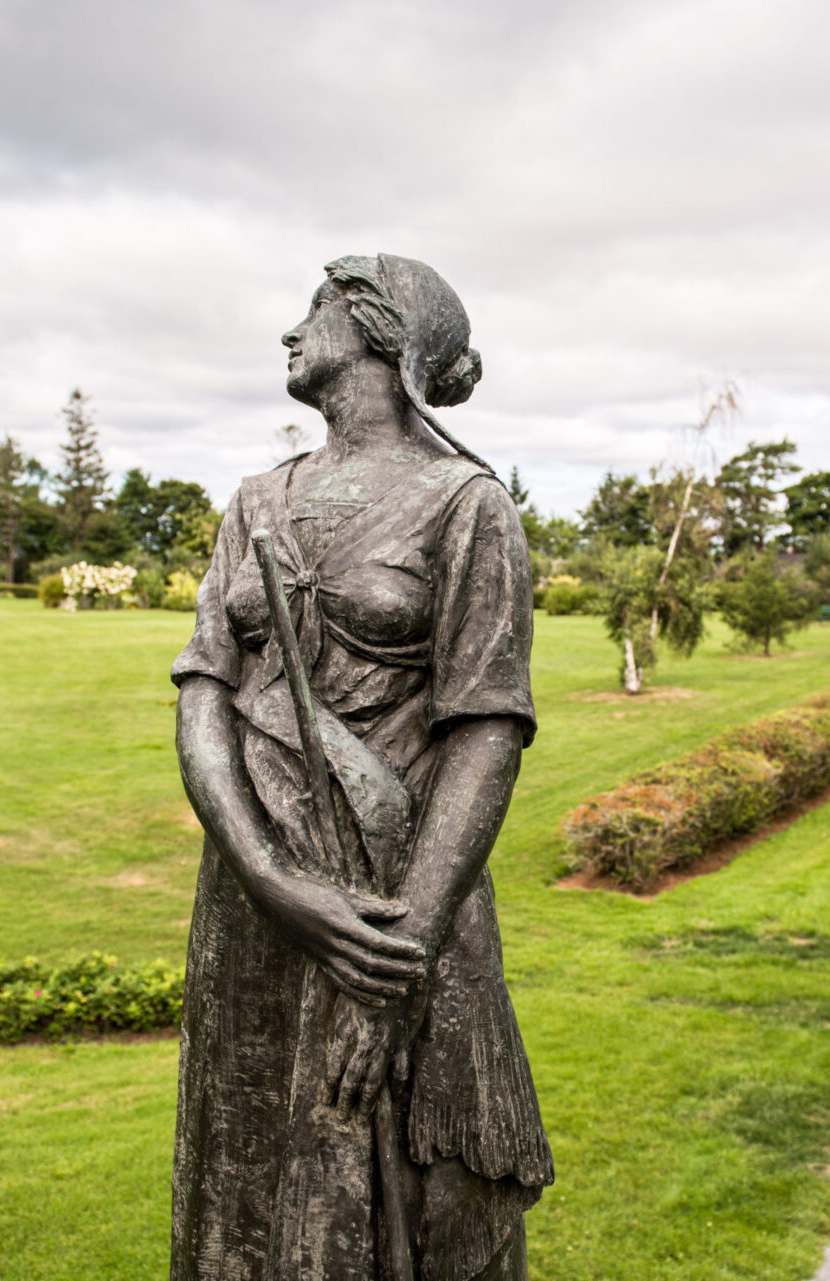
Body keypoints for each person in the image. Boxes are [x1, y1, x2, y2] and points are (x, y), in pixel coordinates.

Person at [170, 254, 550, 1279]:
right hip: (257, 911)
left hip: (393, 914)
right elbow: (203, 690)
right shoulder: (256, 504)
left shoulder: (466, 507)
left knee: (391, 1197)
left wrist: (400, 961)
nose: (289, 335)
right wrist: (267, 876)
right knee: (246, 1173)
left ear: (378, 330)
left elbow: (487, 732)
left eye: (312, 310)